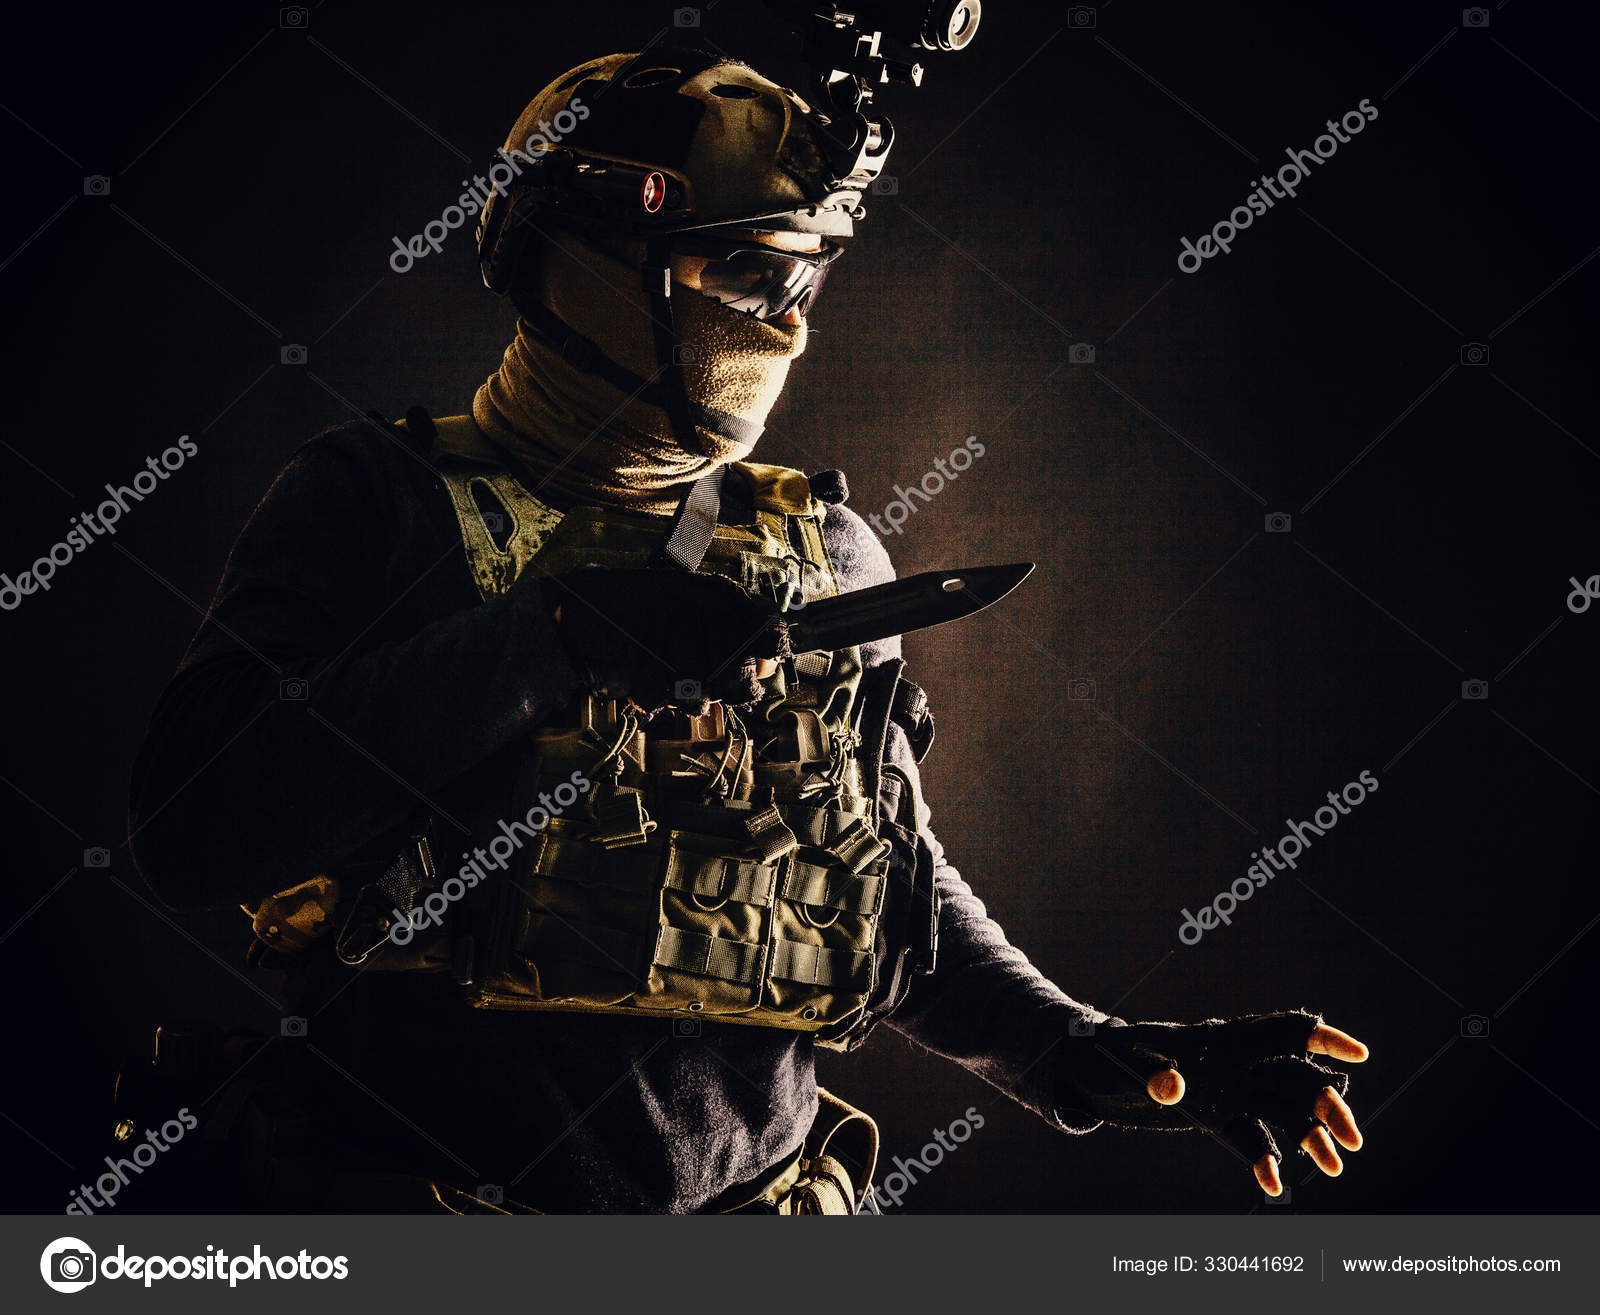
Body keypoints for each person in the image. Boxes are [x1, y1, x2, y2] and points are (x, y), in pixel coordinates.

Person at [127, 48, 1367, 1214]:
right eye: (736, 269)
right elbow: (192, 828)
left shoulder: (826, 555)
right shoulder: (376, 501)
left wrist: (1075, 1051)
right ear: (580, 262)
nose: (778, 316)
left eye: (802, 275)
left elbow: (877, 875)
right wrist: (544, 638)